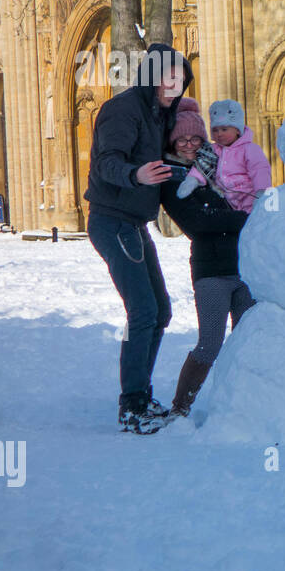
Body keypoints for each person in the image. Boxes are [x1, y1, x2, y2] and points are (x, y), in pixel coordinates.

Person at [84, 42, 192, 434]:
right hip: (113, 221)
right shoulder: (123, 110)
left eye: (181, 80)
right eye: (169, 78)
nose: (175, 87)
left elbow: (162, 163)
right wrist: (135, 176)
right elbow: (107, 161)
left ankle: (141, 396)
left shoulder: (157, 114)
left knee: (160, 310)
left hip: (134, 224)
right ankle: (131, 406)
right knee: (143, 311)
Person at [160, 98, 256, 417]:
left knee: (248, 341)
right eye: (182, 139)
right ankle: (180, 406)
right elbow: (198, 224)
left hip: (244, 268)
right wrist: (247, 217)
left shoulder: (223, 165)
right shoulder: (174, 180)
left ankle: (243, 404)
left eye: (195, 138)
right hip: (212, 272)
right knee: (210, 344)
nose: (189, 144)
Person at [178, 98, 271, 214]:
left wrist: (262, 192)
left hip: (248, 197)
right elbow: (202, 166)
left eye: (224, 129)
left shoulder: (249, 149)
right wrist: (192, 180)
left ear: (237, 130)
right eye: (215, 130)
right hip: (228, 201)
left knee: (251, 221)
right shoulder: (214, 150)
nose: (219, 134)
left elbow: (260, 170)